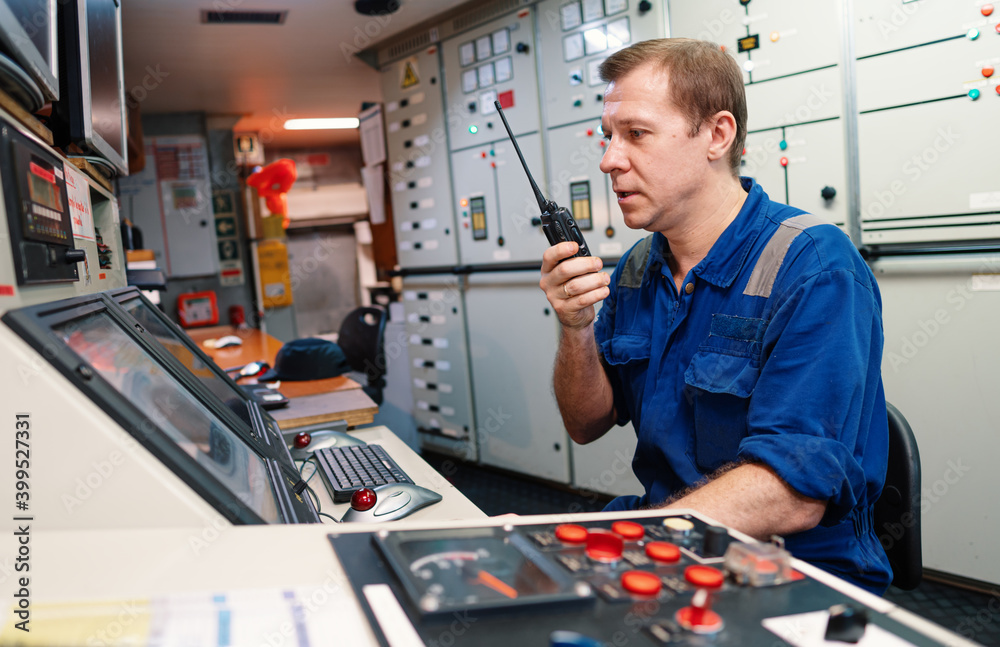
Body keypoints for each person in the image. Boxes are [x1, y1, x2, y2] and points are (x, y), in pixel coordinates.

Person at [539, 38, 892, 594]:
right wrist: (575, 327)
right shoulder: (638, 266)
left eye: (636, 134)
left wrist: (632, 538)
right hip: (672, 542)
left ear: (717, 135)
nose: (609, 159)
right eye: (608, 137)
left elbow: (789, 494)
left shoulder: (815, 267)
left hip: (792, 570)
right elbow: (585, 424)